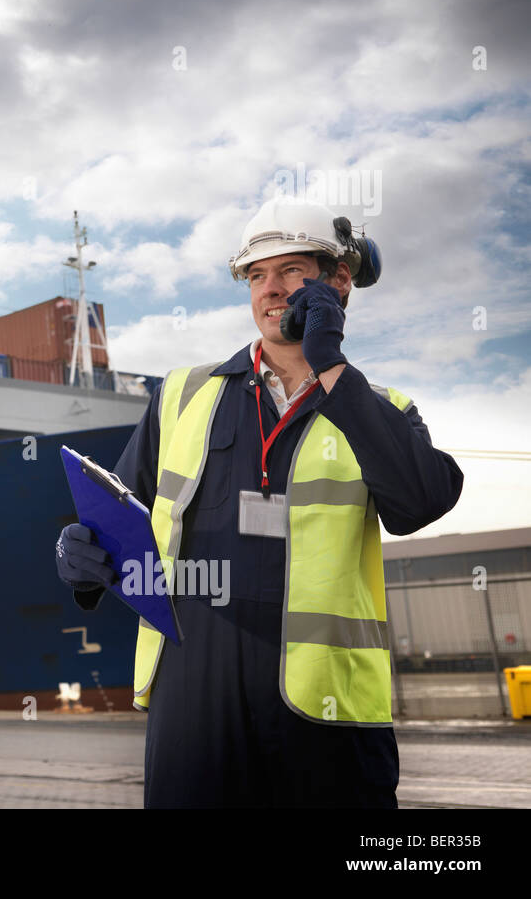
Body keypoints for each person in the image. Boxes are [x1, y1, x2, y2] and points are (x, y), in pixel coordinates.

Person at [54, 197, 463, 808]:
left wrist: (330, 367)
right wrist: (82, 559)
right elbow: (119, 518)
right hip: (194, 711)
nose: (271, 290)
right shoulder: (181, 396)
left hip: (326, 719)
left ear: (339, 281)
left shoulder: (386, 409)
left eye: (292, 270)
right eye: (256, 274)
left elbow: (421, 502)